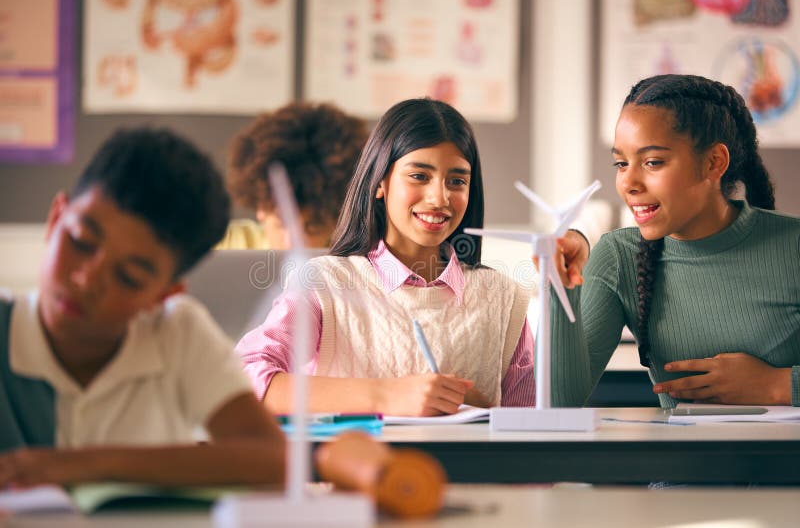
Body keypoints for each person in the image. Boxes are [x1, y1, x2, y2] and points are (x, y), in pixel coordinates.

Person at [0, 127, 286, 487]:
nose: (87, 281)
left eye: (129, 277)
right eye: (81, 242)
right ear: (56, 218)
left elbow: (274, 459)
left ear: (163, 294)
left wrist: (88, 464)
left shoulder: (176, 333)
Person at [236, 98, 537, 417]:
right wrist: (385, 395)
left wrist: (484, 407)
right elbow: (244, 380)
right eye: (419, 176)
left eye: (457, 181)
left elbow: (531, 423)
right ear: (380, 182)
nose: (440, 198)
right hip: (354, 452)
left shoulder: (503, 298)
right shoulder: (325, 284)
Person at [551, 74, 800, 409]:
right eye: (621, 163)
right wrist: (561, 286)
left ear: (714, 163)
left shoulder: (793, 245)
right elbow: (559, 404)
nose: (628, 183)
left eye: (653, 162)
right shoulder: (618, 257)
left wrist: (778, 385)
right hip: (679, 446)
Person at [218, 101, 369, 249]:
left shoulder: (357, 256)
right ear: (261, 209)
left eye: (312, 228)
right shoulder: (220, 245)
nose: (292, 244)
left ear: (337, 221)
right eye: (282, 223)